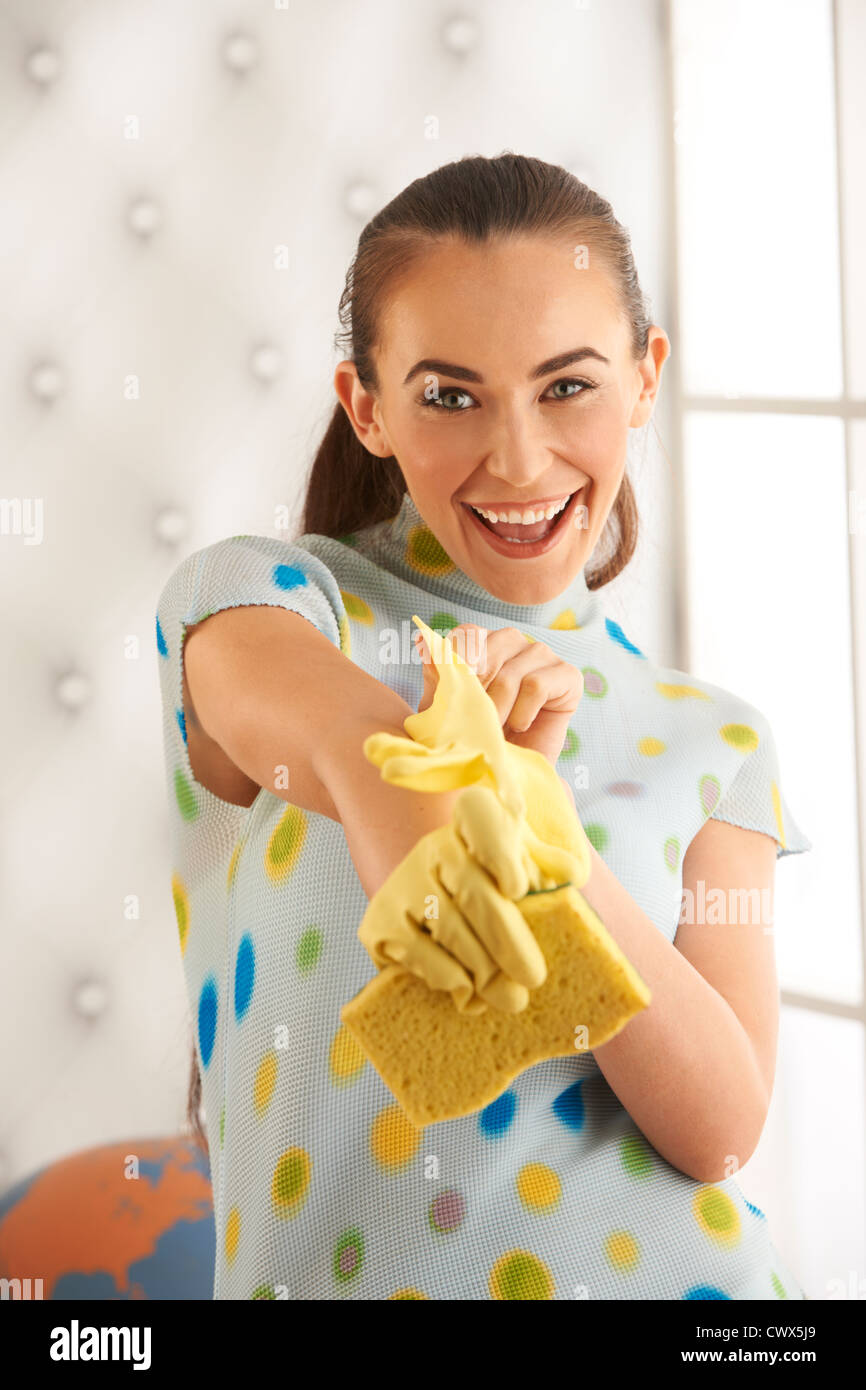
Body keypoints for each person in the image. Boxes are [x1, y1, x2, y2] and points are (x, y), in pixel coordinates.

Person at [155, 153, 811, 1300]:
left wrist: (544, 840)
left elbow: (716, 1130)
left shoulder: (716, 742)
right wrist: (426, 786)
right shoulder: (265, 605)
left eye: (567, 386)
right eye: (448, 396)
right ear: (366, 406)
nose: (516, 458)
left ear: (644, 378)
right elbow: (302, 729)